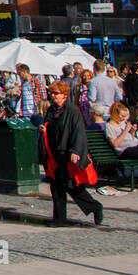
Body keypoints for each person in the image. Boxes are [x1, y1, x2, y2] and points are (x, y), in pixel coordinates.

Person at [41, 81, 103, 226]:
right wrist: (45, 129)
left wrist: (76, 151)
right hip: (54, 153)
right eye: (52, 93)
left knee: (71, 186)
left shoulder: (72, 111)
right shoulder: (52, 110)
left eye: (56, 93)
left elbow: (78, 132)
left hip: (67, 152)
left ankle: (94, 206)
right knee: (56, 186)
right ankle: (59, 219)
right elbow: (50, 126)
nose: (53, 95)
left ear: (64, 95)